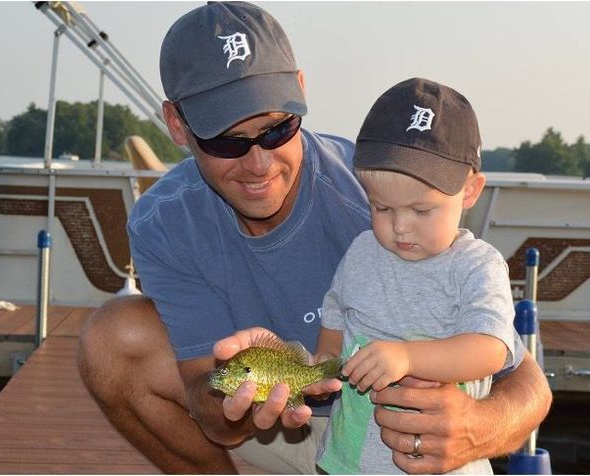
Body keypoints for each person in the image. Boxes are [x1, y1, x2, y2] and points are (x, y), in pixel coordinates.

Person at [76, 2, 553, 474]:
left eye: (277, 129)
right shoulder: (165, 223)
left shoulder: (380, 202)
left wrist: (475, 427)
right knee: (110, 339)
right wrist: (236, 398)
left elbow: (527, 384)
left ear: (301, 92)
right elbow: (218, 425)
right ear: (177, 125)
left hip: (386, 435)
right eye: (227, 141)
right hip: (279, 429)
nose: (258, 163)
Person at [315, 78, 519, 475]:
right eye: (382, 208)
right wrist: (320, 364)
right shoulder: (360, 253)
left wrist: (406, 357)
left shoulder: (477, 266)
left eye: (422, 211)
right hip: (347, 464)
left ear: (471, 190)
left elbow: (490, 349)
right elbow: (334, 318)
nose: (401, 227)